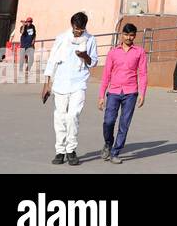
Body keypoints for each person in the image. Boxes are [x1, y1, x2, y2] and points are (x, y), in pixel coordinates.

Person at [41, 11, 99, 166]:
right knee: (60, 117)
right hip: (60, 83)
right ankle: (59, 151)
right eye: (76, 28)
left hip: (79, 83)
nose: (78, 32)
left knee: (73, 115)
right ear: (72, 25)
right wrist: (47, 84)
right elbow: (52, 60)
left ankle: (71, 150)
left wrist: (84, 56)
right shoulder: (62, 38)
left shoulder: (90, 40)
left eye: (81, 29)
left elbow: (93, 62)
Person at [98, 23, 147, 164]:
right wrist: (101, 95)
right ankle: (108, 143)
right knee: (109, 121)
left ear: (135, 36)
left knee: (124, 123)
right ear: (122, 35)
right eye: (126, 34)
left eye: (131, 35)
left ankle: (115, 152)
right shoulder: (113, 52)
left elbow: (143, 73)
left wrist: (142, 93)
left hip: (131, 93)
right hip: (113, 91)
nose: (128, 37)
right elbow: (106, 74)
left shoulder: (139, 52)